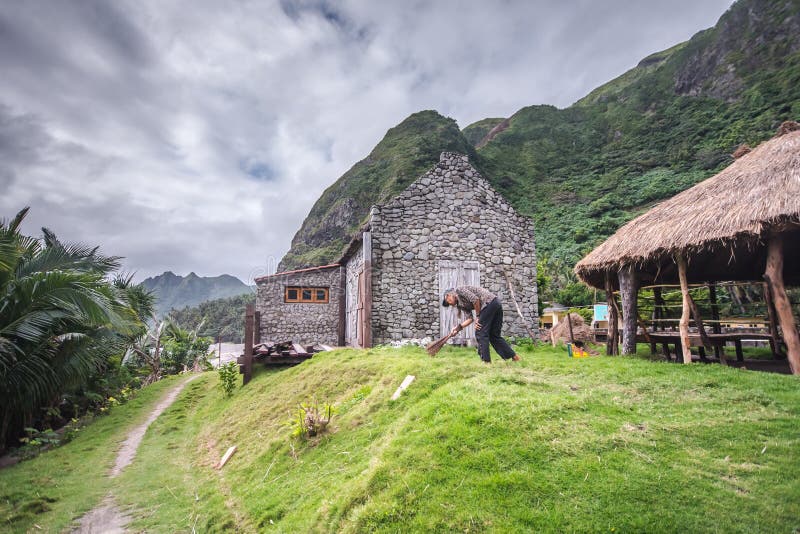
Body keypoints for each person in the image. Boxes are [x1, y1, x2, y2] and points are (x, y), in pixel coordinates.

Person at [442, 285, 521, 364]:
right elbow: (470, 319)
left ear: (449, 295)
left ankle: (486, 361)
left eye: (448, 301)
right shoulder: (461, 305)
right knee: (494, 335)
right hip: (495, 304)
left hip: (489, 303)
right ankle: (514, 357)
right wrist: (457, 328)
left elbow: (475, 300)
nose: (450, 304)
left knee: (480, 332)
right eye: (448, 304)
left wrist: (478, 316)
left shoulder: (460, 290)